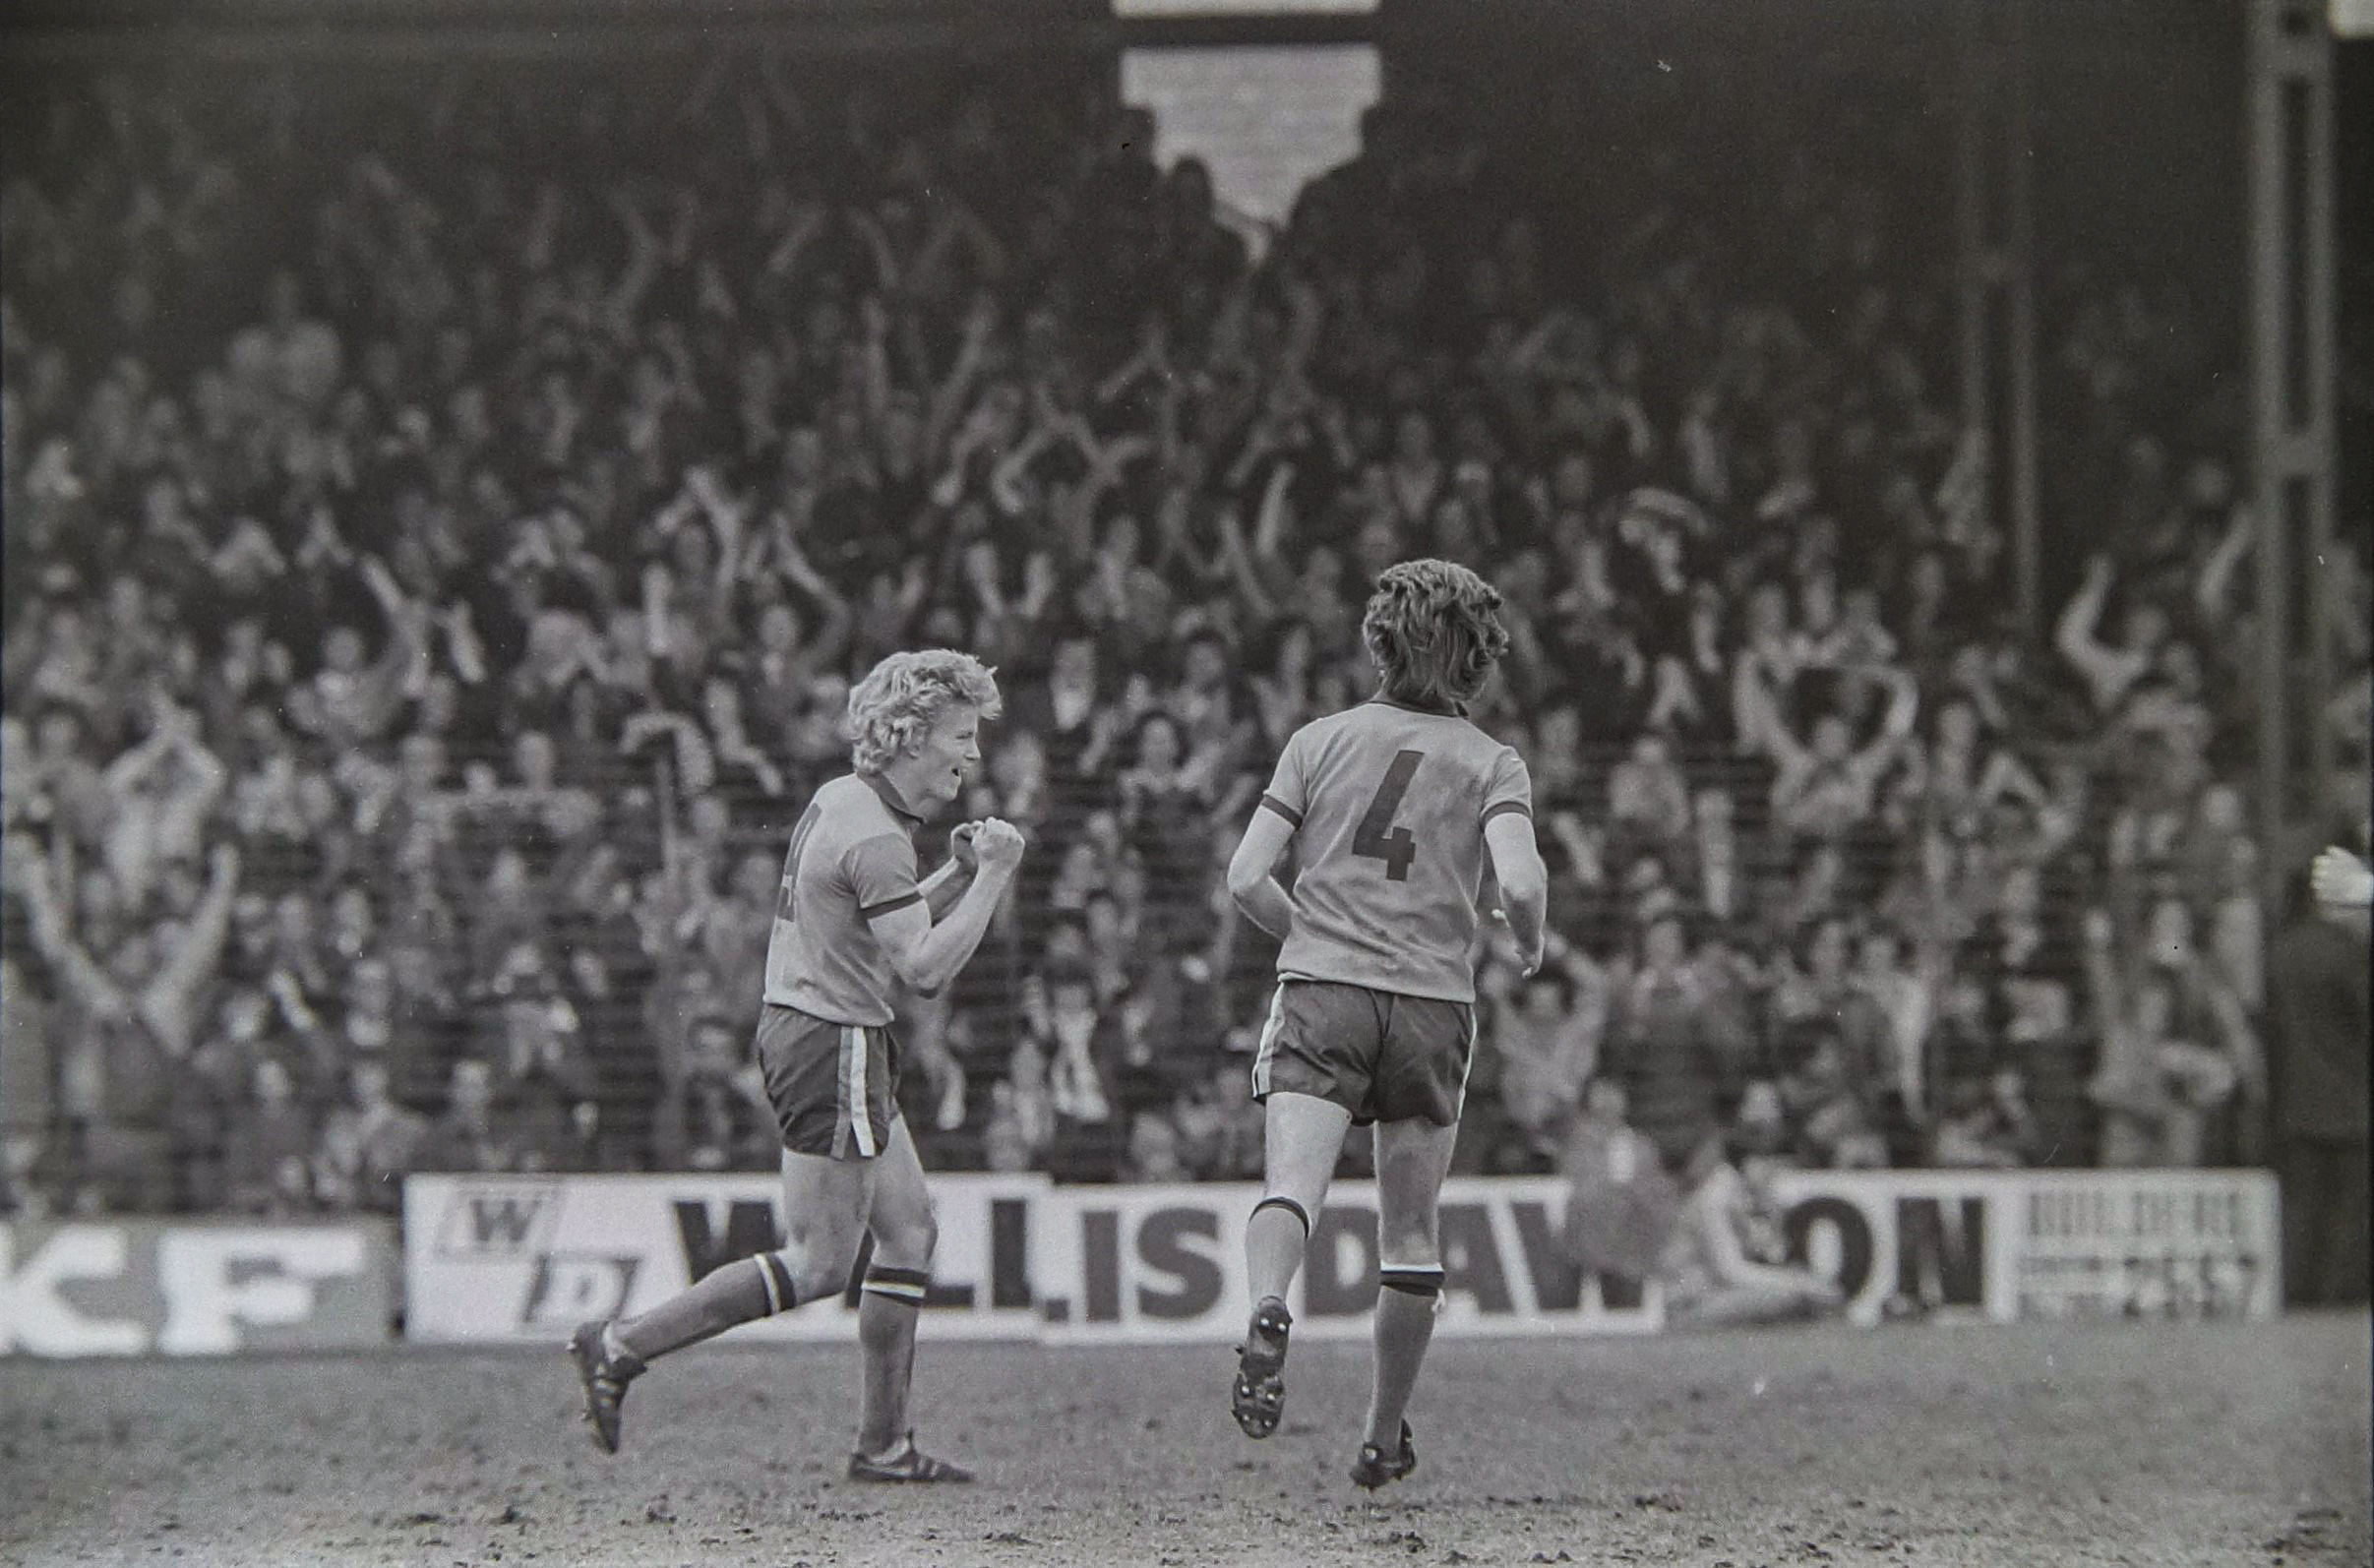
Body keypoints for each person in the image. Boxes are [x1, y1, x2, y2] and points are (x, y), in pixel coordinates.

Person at [567, 649, 1025, 1483]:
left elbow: (877, 921)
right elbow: (921, 970)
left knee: (910, 1229)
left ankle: (884, 1445)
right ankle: (623, 1344)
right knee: (819, 1260)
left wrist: (956, 869)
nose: (973, 754)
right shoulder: (877, 838)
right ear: (911, 737)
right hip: (832, 1041)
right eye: (961, 736)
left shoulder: (843, 801)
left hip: (822, 1031)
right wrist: (992, 876)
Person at [1220, 559, 1545, 1490]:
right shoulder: (1491, 762)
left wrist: (1317, 930)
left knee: (1292, 1189)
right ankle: (1379, 1435)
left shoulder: (1318, 740)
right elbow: (1519, 880)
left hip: (1323, 992)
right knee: (1410, 1234)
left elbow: (1246, 877)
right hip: (1431, 1006)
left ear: (1376, 643)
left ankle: (1271, 1304)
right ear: (1479, 663)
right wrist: (1528, 939)